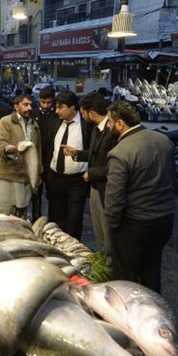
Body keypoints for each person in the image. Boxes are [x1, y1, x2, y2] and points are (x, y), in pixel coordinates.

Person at [104, 101, 175, 293]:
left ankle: (129, 320)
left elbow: (114, 198)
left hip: (134, 224)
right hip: (164, 220)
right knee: (151, 271)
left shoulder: (120, 152)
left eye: (110, 122)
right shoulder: (163, 140)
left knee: (125, 279)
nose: (108, 126)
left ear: (120, 123)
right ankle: (155, 313)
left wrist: (112, 225)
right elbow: (171, 178)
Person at [63, 93, 115, 252]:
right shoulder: (95, 129)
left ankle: (111, 270)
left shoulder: (112, 130)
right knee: (99, 233)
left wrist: (91, 173)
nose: (82, 116)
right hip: (94, 188)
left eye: (83, 113)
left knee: (108, 236)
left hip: (108, 191)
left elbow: (114, 167)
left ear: (92, 113)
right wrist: (77, 154)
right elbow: (94, 154)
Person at [46, 91, 92, 240]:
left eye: (61, 107)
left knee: (74, 219)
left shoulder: (86, 125)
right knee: (55, 217)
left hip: (77, 181)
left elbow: (93, 151)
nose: (57, 110)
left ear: (73, 107)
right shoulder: (54, 121)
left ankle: (72, 251)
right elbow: (48, 147)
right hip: (54, 178)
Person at [0, 94, 41, 218]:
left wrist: (38, 173)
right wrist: (15, 149)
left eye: (31, 104)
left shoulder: (34, 125)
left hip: (26, 177)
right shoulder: (6, 121)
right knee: (4, 214)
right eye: (25, 105)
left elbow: (38, 152)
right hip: (8, 175)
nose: (29, 108)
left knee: (21, 214)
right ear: (16, 106)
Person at [32, 86, 59, 219]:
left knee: (52, 195)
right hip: (36, 161)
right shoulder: (33, 115)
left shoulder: (57, 116)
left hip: (52, 162)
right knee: (35, 194)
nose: (46, 105)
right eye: (43, 102)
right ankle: (36, 220)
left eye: (49, 102)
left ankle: (52, 221)